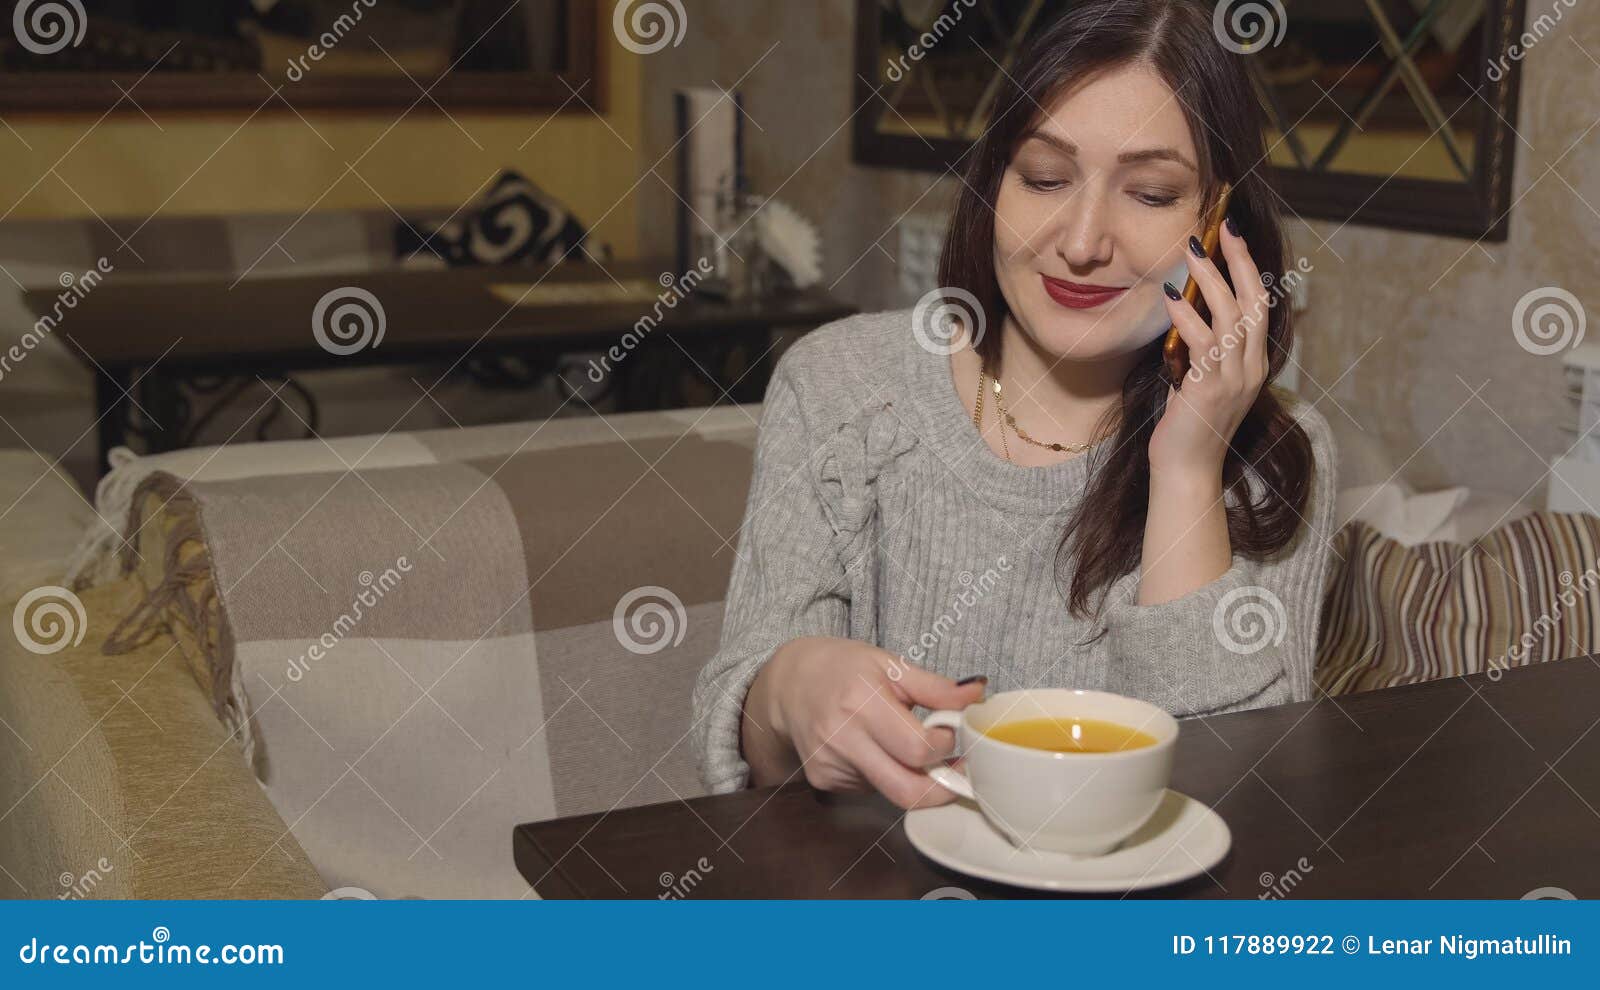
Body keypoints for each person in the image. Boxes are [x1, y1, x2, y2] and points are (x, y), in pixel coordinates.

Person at [692, 0, 1338, 810]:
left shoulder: (1274, 457)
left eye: (1150, 194)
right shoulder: (840, 385)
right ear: (993, 182)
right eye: (1044, 178)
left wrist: (1189, 467)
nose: (1082, 240)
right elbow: (759, 759)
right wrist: (785, 689)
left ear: (1218, 224)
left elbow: (1226, 798)